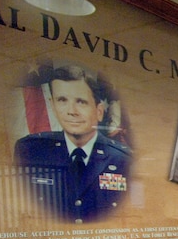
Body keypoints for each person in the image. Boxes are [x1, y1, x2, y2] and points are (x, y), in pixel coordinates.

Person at [14, 65, 131, 223]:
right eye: (62, 100)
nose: (71, 111)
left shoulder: (122, 158)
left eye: (81, 102)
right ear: (53, 105)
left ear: (99, 111)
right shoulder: (31, 150)